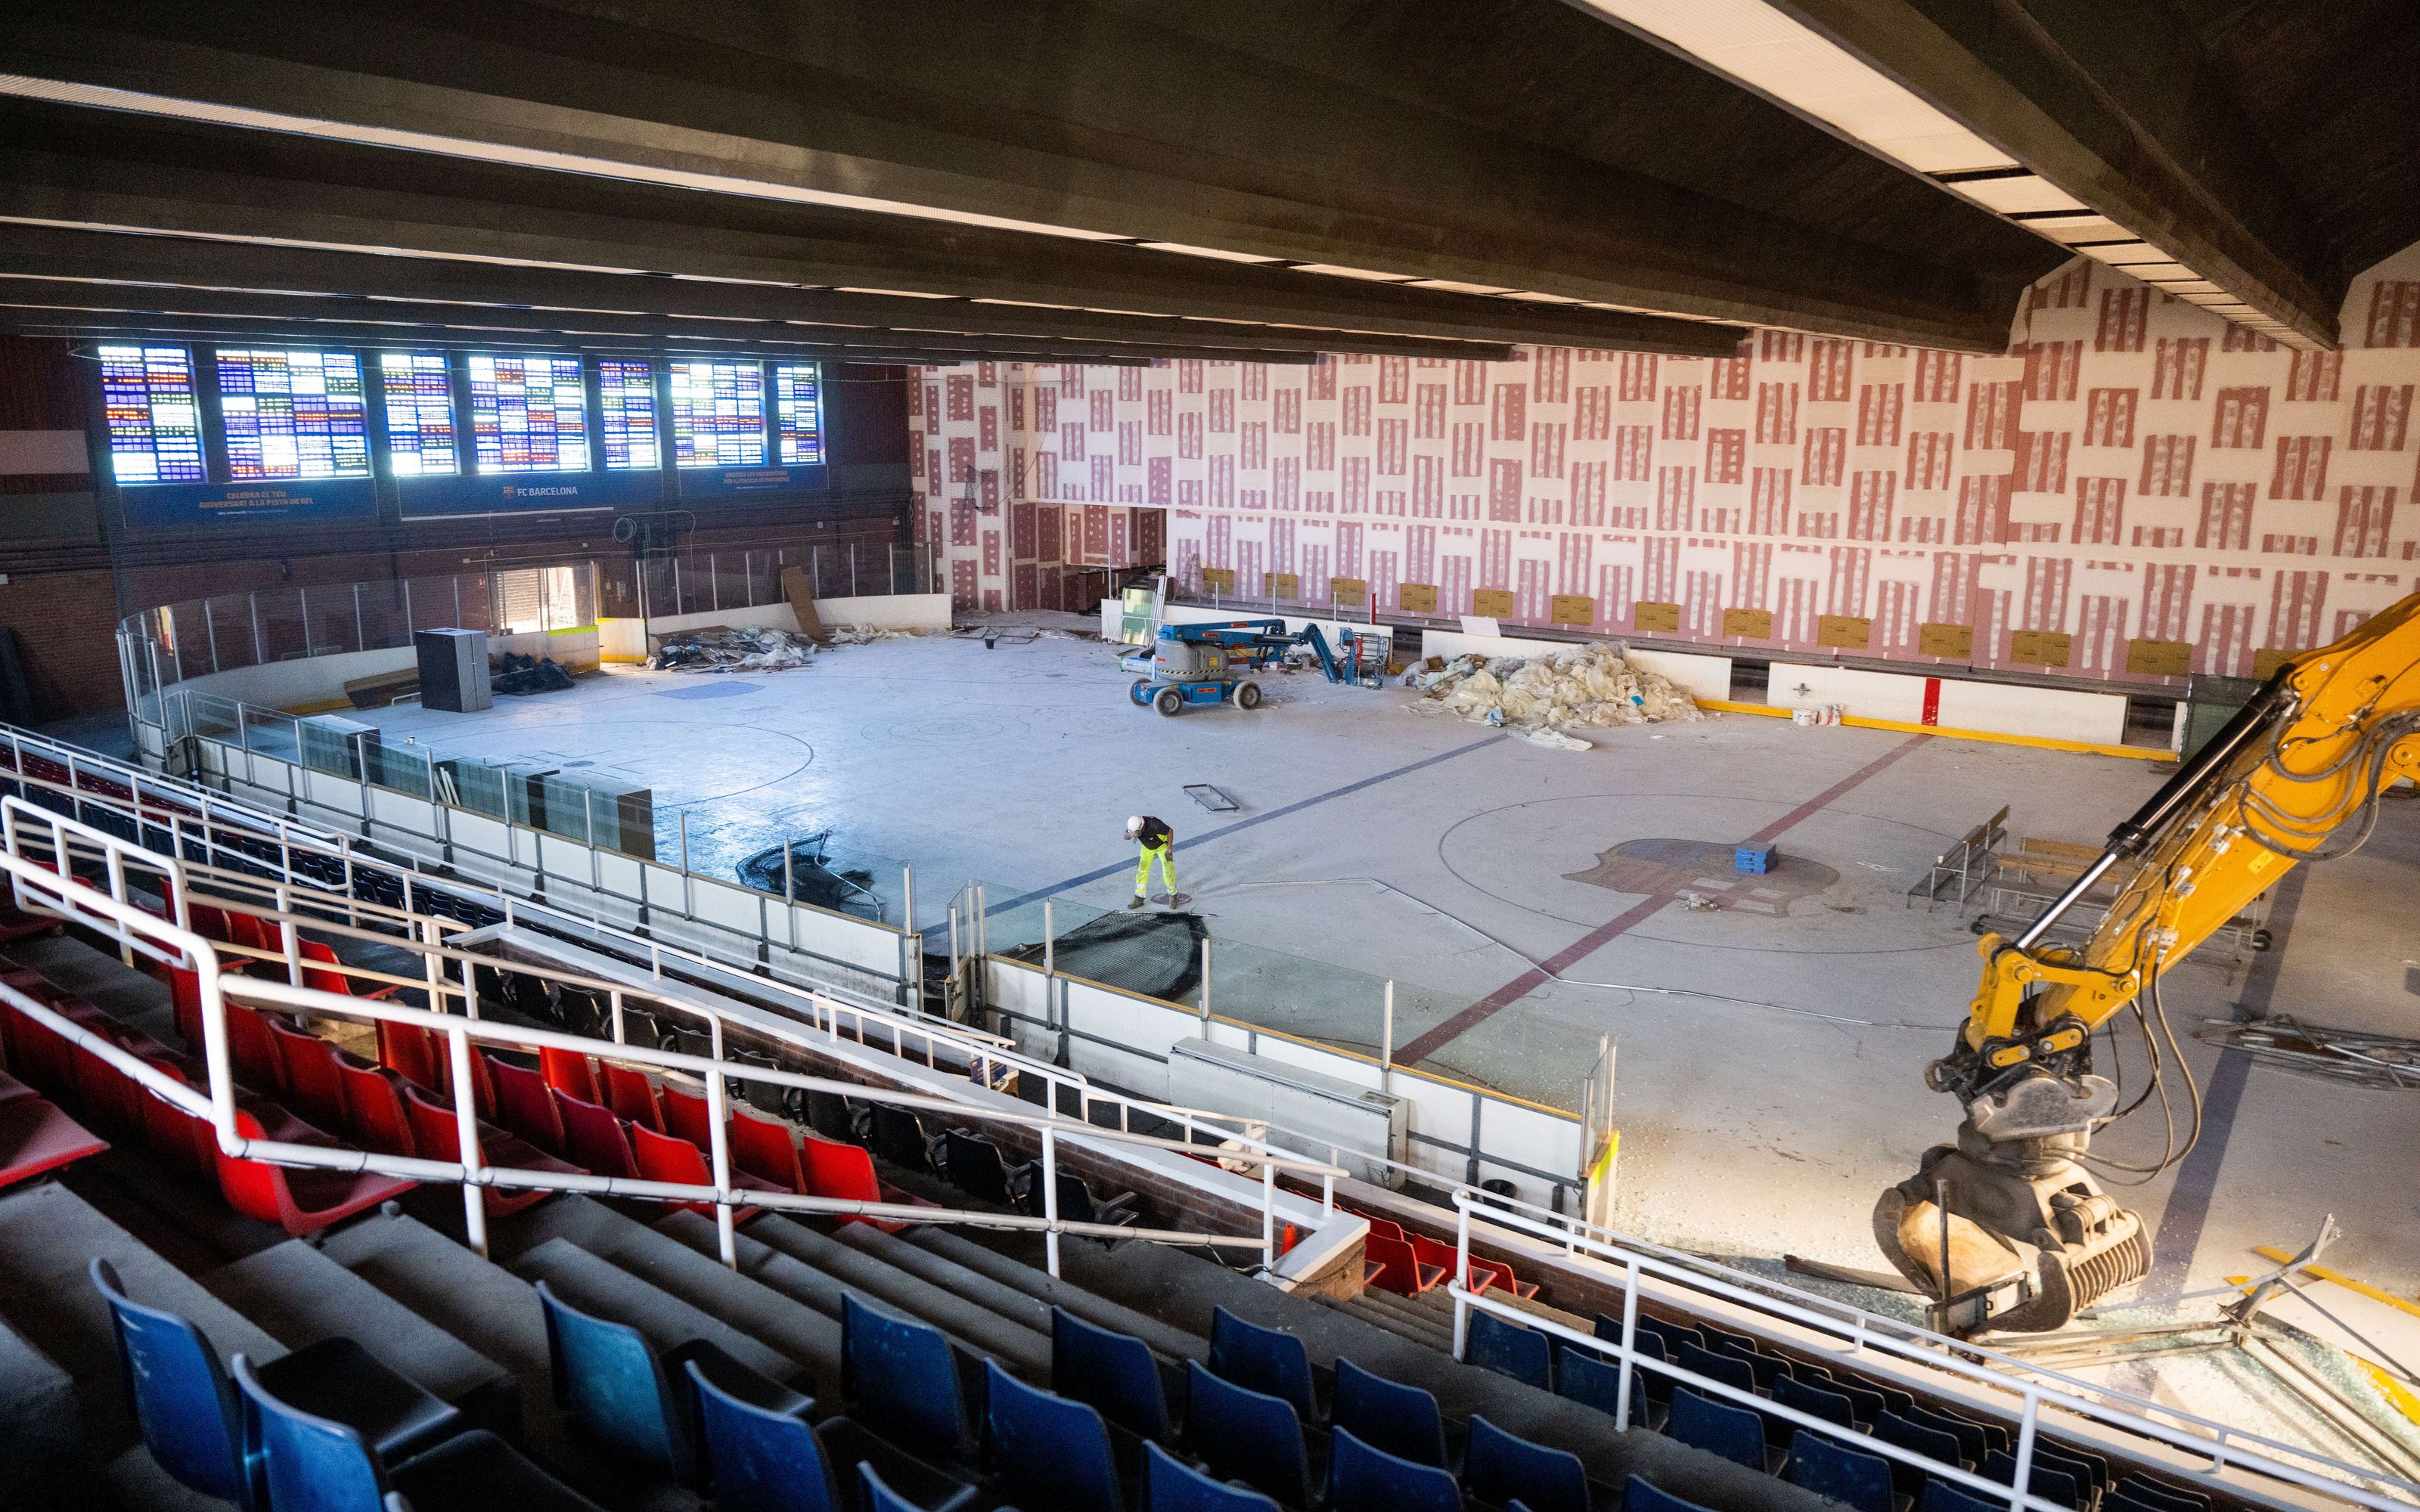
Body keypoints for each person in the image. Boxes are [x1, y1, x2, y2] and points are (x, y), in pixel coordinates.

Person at [1125, 814, 1174, 908]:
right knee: (1141, 871)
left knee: (1168, 870)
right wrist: (1131, 834)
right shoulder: (1133, 824)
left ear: (1142, 827)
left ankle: (1173, 895)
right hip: (1147, 847)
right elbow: (1125, 837)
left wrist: (1169, 849)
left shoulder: (1155, 825)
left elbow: (1170, 831)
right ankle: (1139, 898)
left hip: (1161, 846)